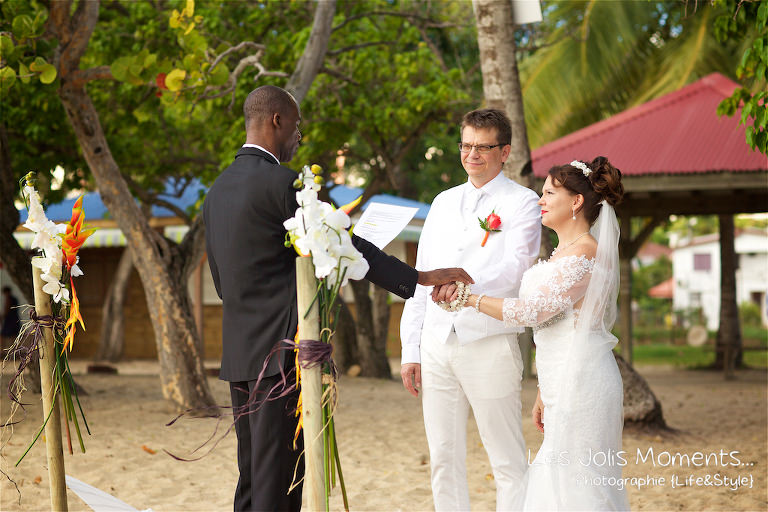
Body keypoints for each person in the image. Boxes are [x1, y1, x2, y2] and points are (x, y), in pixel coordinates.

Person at [202, 84, 473, 512]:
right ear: (277, 120)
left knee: (253, 478)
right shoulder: (288, 183)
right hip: (283, 355)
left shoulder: (217, 190)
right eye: (297, 125)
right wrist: (418, 276)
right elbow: (346, 245)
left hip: (240, 355)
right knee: (282, 481)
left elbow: (220, 280)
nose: (299, 136)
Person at [452, 157, 630, 510]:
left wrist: (466, 298)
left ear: (576, 201)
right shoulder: (563, 252)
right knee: (557, 482)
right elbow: (555, 328)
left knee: (580, 484)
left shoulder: (585, 256)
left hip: (584, 383)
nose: (540, 200)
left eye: (549, 193)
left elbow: (532, 312)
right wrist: (543, 392)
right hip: (561, 379)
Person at [400, 108, 542, 511]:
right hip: (435, 345)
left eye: (483, 146)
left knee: (507, 459)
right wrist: (411, 349)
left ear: (505, 151)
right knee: (443, 458)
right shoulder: (442, 202)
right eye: (466, 145)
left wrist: (460, 286)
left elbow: (517, 266)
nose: (472, 154)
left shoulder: (523, 202)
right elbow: (418, 277)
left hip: (489, 341)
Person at [1, 286, 21, 351]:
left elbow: (7, 310)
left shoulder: (9, 299)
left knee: (4, 336)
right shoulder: (14, 299)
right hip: (14, 319)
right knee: (14, 337)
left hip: (10, 320)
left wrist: (2, 317)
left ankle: (3, 351)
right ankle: (14, 352)